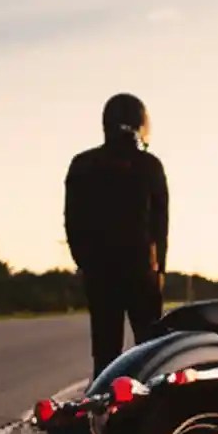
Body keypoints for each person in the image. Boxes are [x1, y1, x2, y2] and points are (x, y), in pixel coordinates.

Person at [64, 93, 169, 380]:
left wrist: (84, 263)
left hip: (100, 272)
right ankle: (149, 415)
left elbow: (71, 221)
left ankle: (102, 414)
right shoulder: (150, 166)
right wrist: (160, 269)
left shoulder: (82, 164)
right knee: (150, 352)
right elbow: (161, 226)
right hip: (141, 271)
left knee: (105, 353)